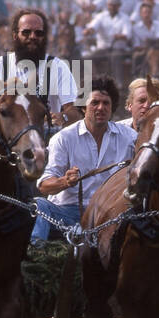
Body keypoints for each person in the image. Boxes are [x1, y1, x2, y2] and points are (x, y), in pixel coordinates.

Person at [30, 77, 135, 243]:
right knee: (40, 205)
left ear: (112, 107)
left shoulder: (130, 138)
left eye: (106, 103)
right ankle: (36, 253)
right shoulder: (63, 138)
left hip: (110, 215)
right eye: (94, 102)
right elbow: (44, 186)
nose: (100, 108)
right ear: (83, 107)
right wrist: (65, 182)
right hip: (69, 212)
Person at [0, 8, 80, 125]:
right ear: (15, 35)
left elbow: (74, 110)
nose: (32, 36)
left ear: (45, 37)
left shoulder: (58, 67)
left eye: (38, 33)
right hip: (5, 140)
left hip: (46, 137)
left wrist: (64, 117)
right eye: (26, 32)